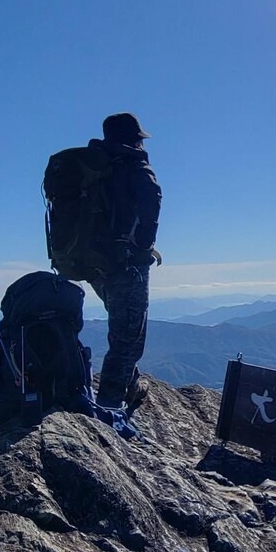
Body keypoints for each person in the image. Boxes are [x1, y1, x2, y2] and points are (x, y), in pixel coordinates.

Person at [86, 112, 161, 417]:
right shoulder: (133, 166)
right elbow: (152, 201)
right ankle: (109, 408)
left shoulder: (92, 167)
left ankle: (130, 384)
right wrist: (143, 246)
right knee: (128, 339)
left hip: (93, 262)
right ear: (135, 139)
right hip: (126, 263)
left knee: (122, 326)